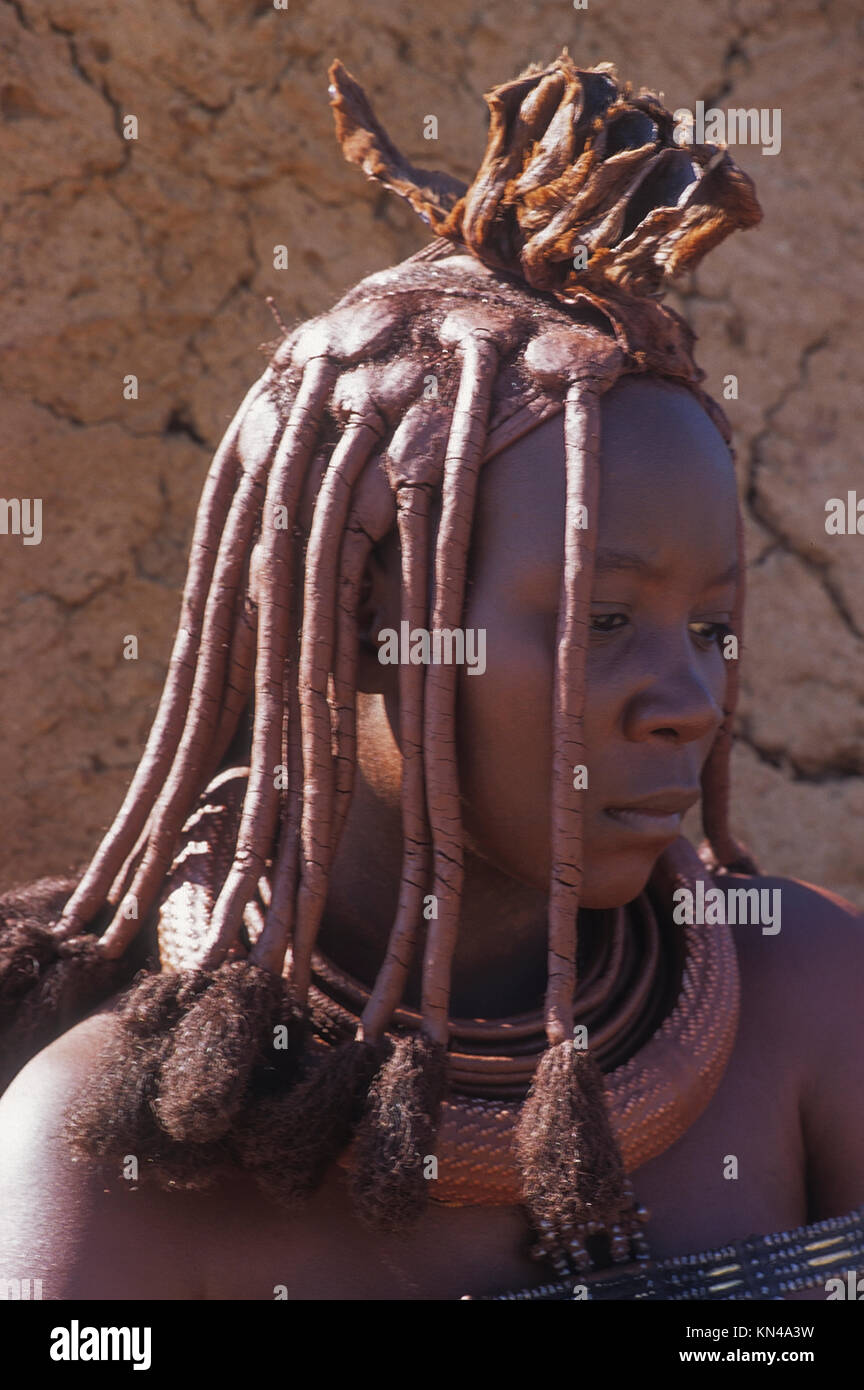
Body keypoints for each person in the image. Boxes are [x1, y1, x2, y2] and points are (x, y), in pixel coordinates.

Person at [1, 52, 862, 1302]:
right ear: (361, 619)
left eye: (712, 629)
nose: (690, 698)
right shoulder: (115, 1162)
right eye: (605, 616)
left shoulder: (813, 1007)